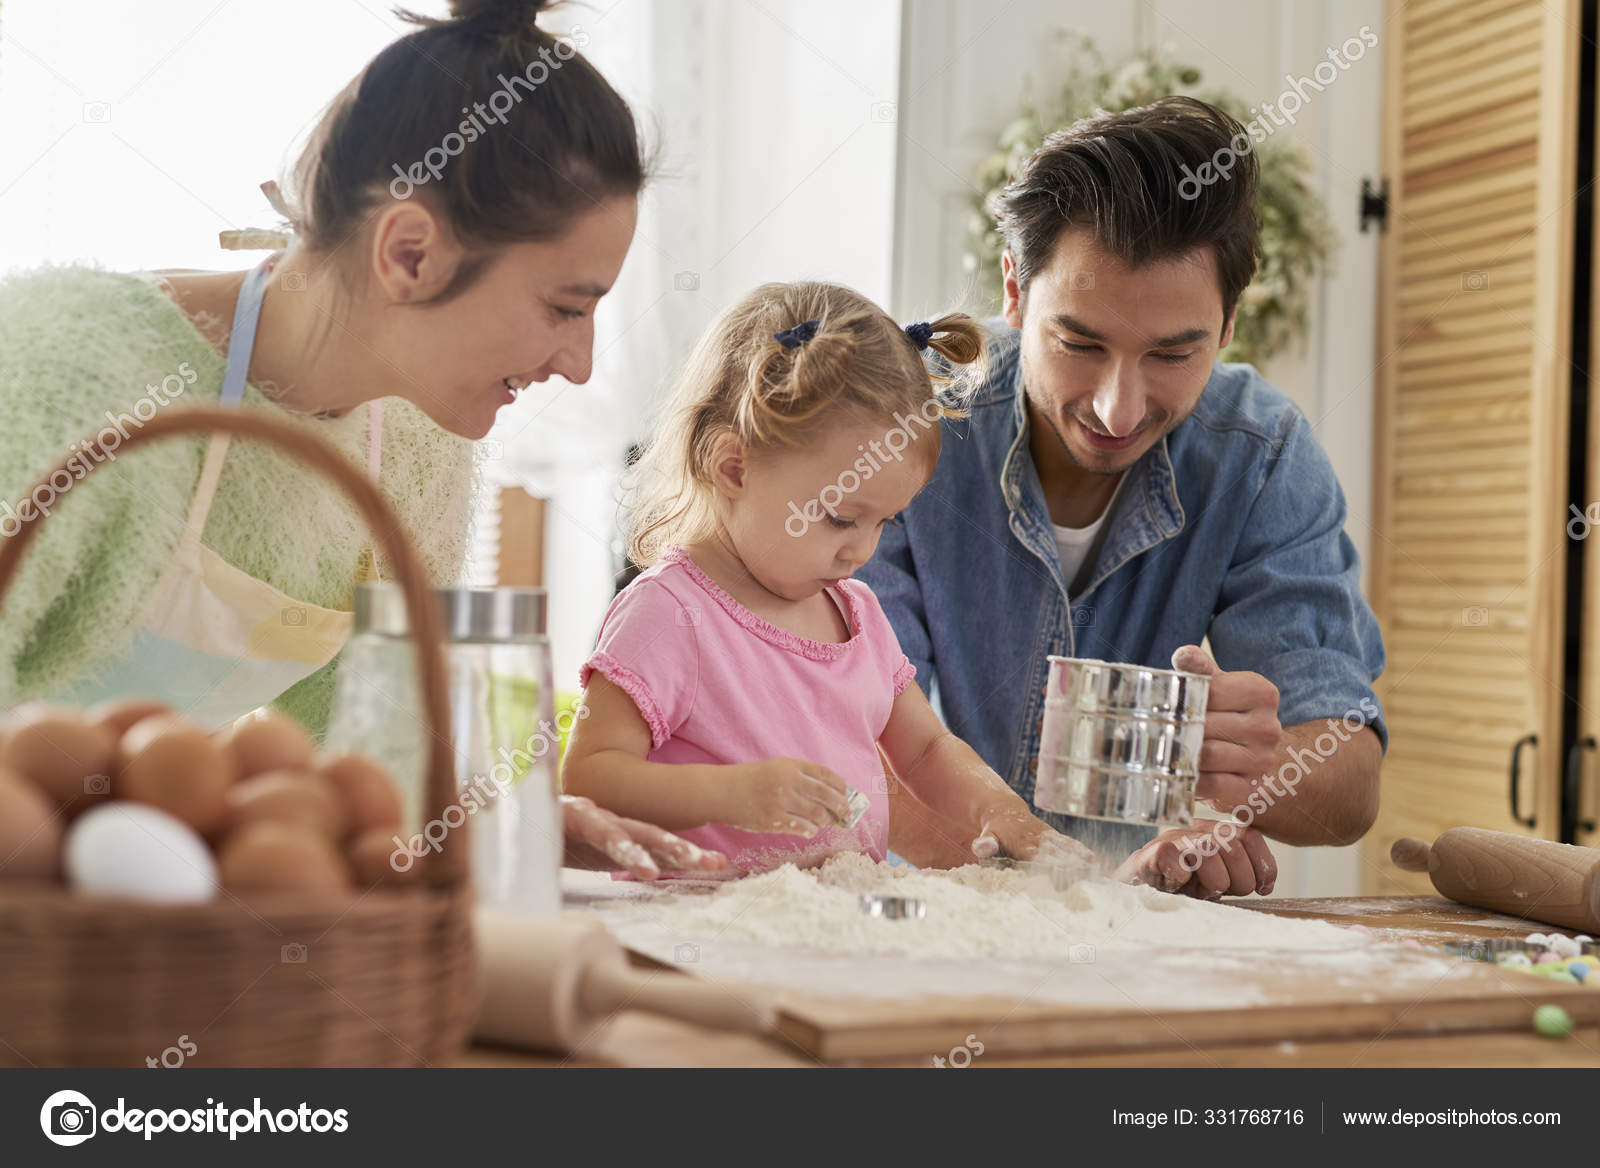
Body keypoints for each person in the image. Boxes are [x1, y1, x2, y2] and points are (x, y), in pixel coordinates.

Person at [0, 0, 719, 879]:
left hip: (131, 920)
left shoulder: (418, 443)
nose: (578, 364)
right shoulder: (71, 371)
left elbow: (365, 761)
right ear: (410, 254)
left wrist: (483, 823)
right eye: (564, 309)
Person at [858, 97, 1385, 897]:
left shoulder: (1263, 455)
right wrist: (1089, 886)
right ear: (1014, 292)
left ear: (1229, 324)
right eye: (1080, 343)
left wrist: (1250, 766)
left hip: (1147, 948)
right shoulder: (904, 422)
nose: (1118, 408)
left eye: (1174, 354)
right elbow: (846, 732)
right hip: (927, 919)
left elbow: (1352, 787)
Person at [561, 281, 1093, 873]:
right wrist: (732, 794)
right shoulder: (669, 612)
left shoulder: (857, 614)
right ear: (734, 466)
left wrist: (1000, 809)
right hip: (694, 939)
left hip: (828, 941)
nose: (861, 550)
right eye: (841, 518)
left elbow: (926, 750)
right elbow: (588, 779)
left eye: (884, 523)